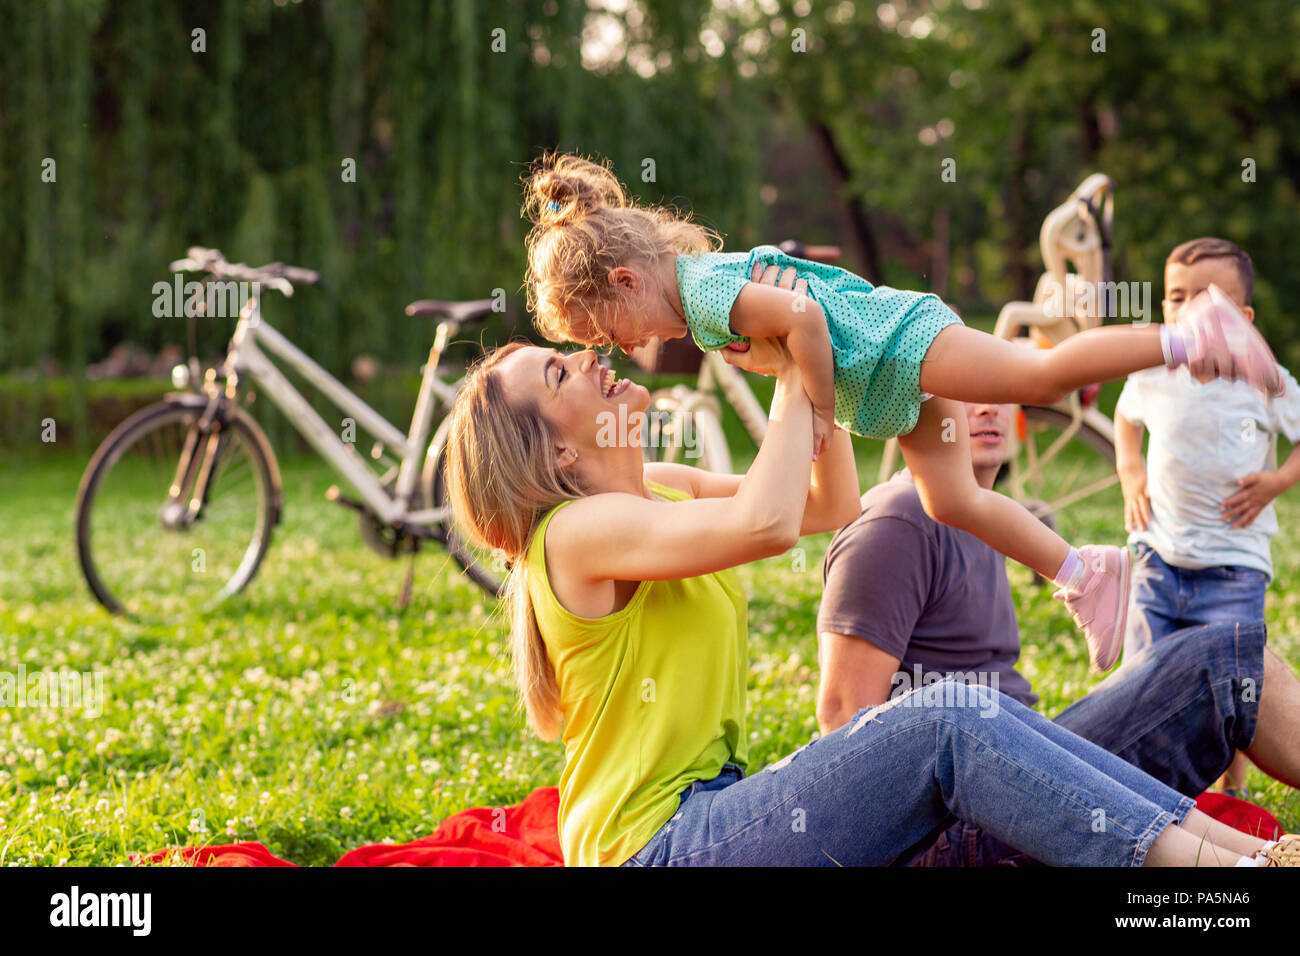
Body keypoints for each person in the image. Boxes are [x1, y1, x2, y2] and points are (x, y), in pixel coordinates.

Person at [441, 330, 1291, 867]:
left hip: (712, 811)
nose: (591, 357)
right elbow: (768, 523)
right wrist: (790, 343)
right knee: (946, 716)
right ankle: (1233, 876)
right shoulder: (577, 535)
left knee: (975, 714)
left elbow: (824, 505)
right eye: (560, 372)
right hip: (658, 849)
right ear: (553, 456)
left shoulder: (657, 487)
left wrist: (818, 368)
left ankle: (1245, 856)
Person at [520, 152, 1284, 675]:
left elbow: (807, 322)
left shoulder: (705, 289)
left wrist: (816, 408)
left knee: (1041, 374)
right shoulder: (701, 301)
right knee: (949, 499)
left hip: (901, 343)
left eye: (600, 333)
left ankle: (1188, 336)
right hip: (889, 381)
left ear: (624, 281)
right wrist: (800, 382)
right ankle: (1087, 574)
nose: (614, 349)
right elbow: (794, 333)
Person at [815, 399, 1300, 866]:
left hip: (1024, 768)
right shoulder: (896, 521)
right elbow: (842, 718)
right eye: (963, 393)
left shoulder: (985, 516)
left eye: (998, 392)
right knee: (1225, 664)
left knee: (1223, 657)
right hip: (965, 820)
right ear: (914, 407)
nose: (989, 408)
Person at [1115, 237, 1300, 798]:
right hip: (1158, 554)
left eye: (1207, 297)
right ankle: (1141, 785)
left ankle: (1228, 789)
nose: (1190, 309)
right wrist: (1131, 473)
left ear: (1242, 318)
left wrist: (1277, 482)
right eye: (1177, 297)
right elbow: (1126, 419)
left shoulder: (1261, 380)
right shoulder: (1152, 372)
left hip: (1232, 565)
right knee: (1142, 677)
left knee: (1235, 686)